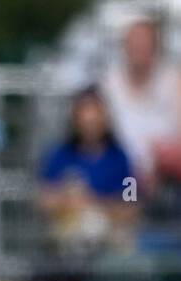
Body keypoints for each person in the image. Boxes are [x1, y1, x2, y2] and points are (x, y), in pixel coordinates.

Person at [37, 88, 137, 251]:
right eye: (85, 119)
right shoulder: (60, 155)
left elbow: (130, 206)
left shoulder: (120, 159)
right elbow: (43, 199)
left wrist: (93, 203)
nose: (90, 125)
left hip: (108, 241)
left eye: (95, 119)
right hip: (65, 244)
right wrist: (67, 200)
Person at [100, 17, 181, 192]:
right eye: (134, 45)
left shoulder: (174, 81)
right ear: (124, 47)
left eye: (145, 45)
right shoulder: (108, 84)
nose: (139, 51)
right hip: (120, 175)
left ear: (156, 48)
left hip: (168, 176)